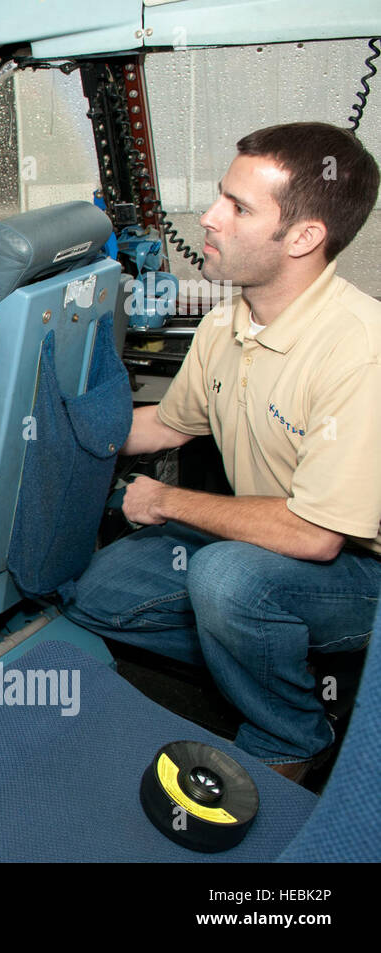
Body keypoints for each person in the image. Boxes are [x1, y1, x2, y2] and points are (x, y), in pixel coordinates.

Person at [63, 122, 381, 782]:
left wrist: (165, 500)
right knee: (91, 594)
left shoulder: (361, 350)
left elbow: (318, 535)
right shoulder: (225, 324)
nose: (209, 217)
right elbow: (167, 426)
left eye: (237, 207)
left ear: (303, 237)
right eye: (219, 196)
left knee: (228, 581)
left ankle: (291, 729)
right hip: (265, 548)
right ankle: (271, 654)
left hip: (356, 573)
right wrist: (50, 428)